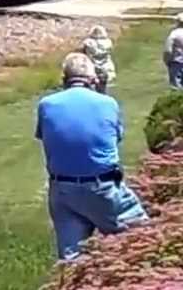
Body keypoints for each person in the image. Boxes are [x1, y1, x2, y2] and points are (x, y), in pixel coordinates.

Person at [35, 53, 148, 261]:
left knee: (72, 260)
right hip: (102, 186)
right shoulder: (108, 103)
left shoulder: (46, 105)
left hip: (62, 189)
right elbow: (116, 138)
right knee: (141, 240)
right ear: (93, 79)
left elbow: (44, 136)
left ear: (64, 79)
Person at [81, 26, 115, 94]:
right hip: (106, 67)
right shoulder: (108, 42)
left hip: (92, 67)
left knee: (91, 88)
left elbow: (83, 52)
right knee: (105, 88)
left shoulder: (88, 42)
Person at [165, 14, 183, 89]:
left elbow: (168, 50)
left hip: (176, 63)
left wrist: (166, 61)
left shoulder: (174, 34)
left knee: (176, 88)